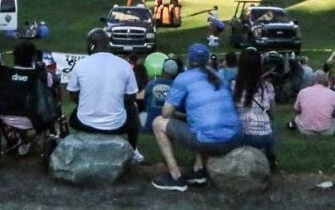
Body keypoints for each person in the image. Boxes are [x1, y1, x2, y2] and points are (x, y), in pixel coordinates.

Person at [151, 43, 242, 191]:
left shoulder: (183, 78)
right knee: (198, 120)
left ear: (188, 60)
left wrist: (178, 114)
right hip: (235, 138)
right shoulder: (219, 75)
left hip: (210, 142)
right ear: (207, 60)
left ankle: (176, 178)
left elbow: (166, 113)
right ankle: (198, 170)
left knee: (158, 123)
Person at [66, 28, 142, 163]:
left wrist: (90, 102)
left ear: (91, 46)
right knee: (133, 109)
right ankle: (134, 150)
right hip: (117, 125)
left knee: (74, 114)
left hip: (84, 123)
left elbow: (73, 95)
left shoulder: (80, 65)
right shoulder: (124, 65)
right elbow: (131, 97)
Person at [231, 49, 276, 166]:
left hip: (243, 135)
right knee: (272, 124)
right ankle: (270, 155)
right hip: (266, 135)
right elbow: (273, 113)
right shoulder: (267, 86)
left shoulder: (234, 86)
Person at [142, 59, 179, 133]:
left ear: (162, 70)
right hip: (168, 127)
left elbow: (145, 105)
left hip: (150, 126)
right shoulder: (178, 88)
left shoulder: (151, 84)